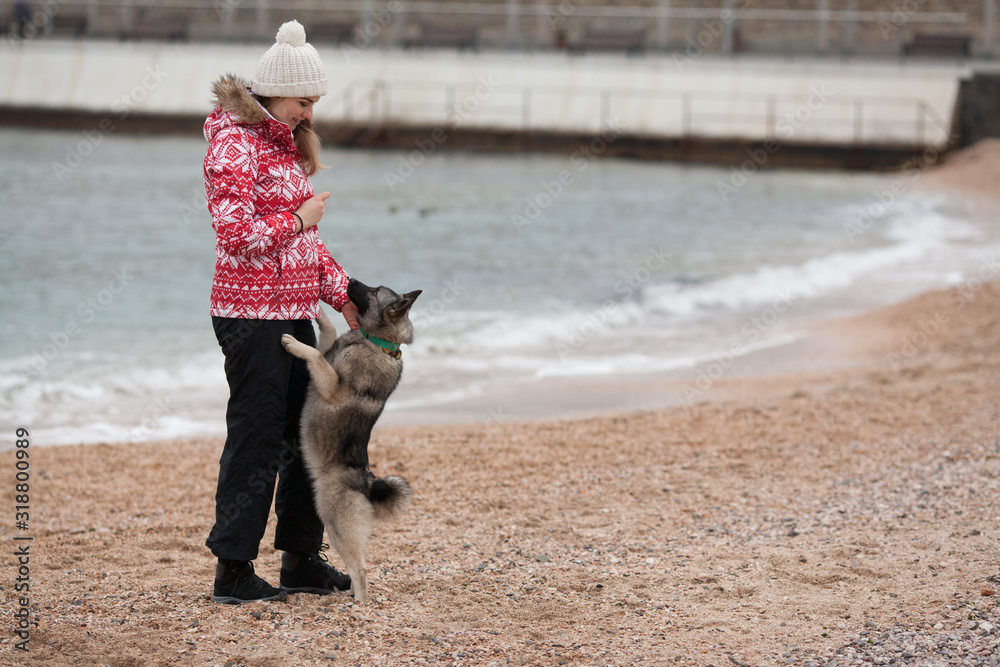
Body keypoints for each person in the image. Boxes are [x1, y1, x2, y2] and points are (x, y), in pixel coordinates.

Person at [202, 19, 359, 604]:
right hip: (249, 317)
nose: (310, 114)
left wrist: (343, 297)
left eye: (314, 102)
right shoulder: (232, 143)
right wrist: (298, 219)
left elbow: (304, 247)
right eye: (303, 101)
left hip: (294, 315)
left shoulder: (282, 149)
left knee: (307, 438)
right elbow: (236, 234)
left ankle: (300, 561)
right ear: (274, 93)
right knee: (257, 438)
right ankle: (233, 572)